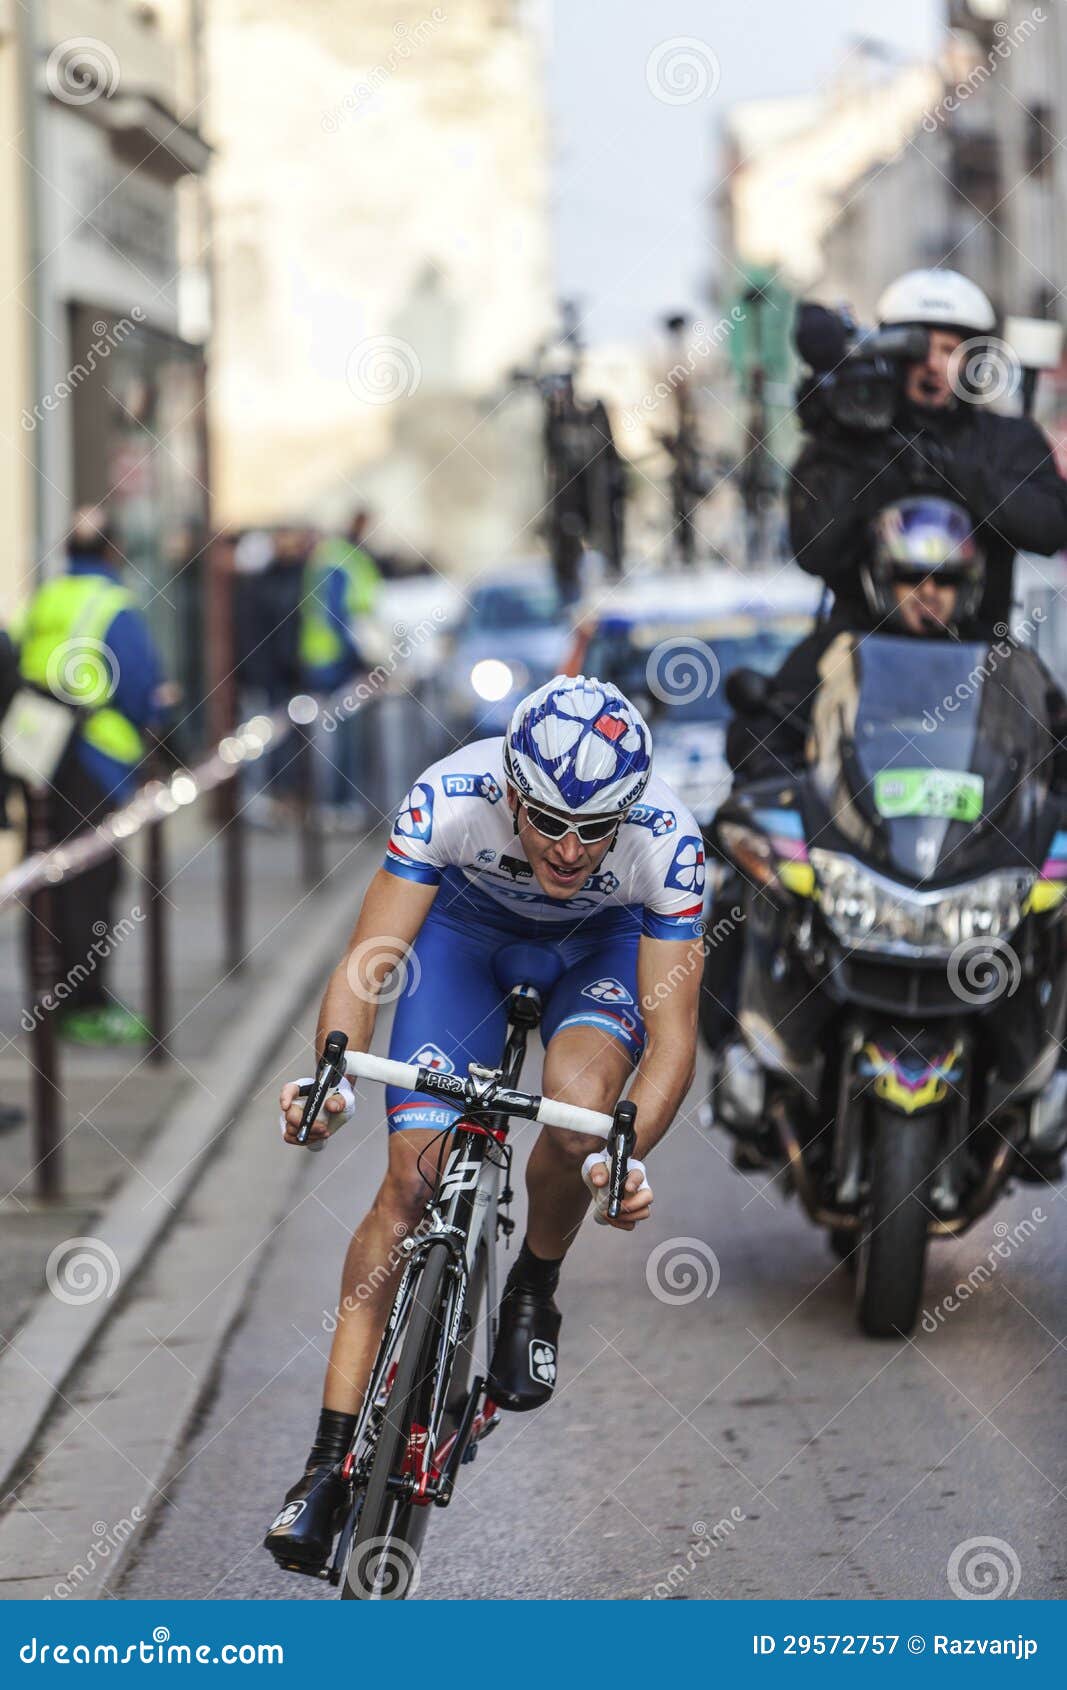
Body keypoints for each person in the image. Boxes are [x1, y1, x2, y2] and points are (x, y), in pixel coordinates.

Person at [263, 675, 705, 1571]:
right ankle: (322, 1468)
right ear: (509, 789)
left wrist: (624, 1159)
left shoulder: (668, 843)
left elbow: (671, 1038)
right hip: (461, 942)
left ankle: (533, 1288)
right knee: (409, 1182)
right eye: (547, 821)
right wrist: (329, 1072)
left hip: (601, 950)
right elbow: (370, 960)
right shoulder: (449, 795)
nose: (572, 851)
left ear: (630, 811)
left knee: (578, 1117)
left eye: (595, 829)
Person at [789, 269, 1067, 633]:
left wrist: (952, 471)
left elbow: (1052, 527)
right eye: (917, 347)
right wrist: (844, 432)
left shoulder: (1006, 440)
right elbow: (815, 549)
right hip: (859, 654)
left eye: (949, 350)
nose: (932, 364)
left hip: (979, 656)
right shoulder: (856, 436)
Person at [13, 506, 165, 1045]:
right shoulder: (114, 605)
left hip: (39, 757)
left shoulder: (45, 599)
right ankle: (87, 1006)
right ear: (113, 551)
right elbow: (144, 690)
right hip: (94, 761)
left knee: (43, 879)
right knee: (93, 885)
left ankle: (44, 996)